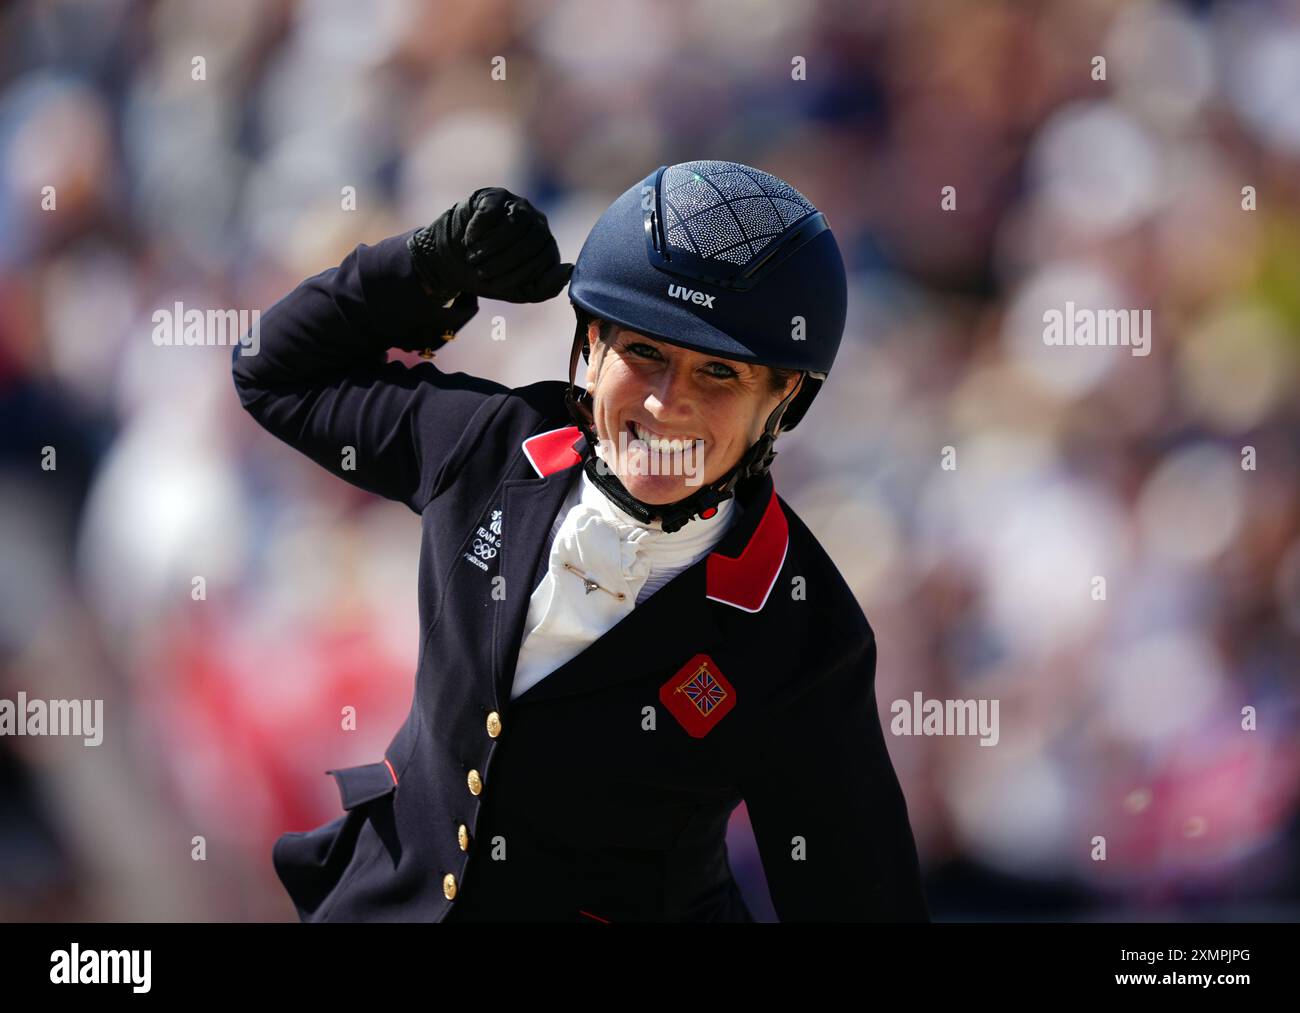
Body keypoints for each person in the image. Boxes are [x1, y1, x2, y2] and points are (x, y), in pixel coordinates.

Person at [232, 159, 929, 922]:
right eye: (646, 353)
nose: (669, 404)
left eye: (720, 374)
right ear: (591, 344)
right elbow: (275, 375)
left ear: (782, 395)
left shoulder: (804, 628)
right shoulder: (492, 445)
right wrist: (428, 267)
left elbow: (863, 900)